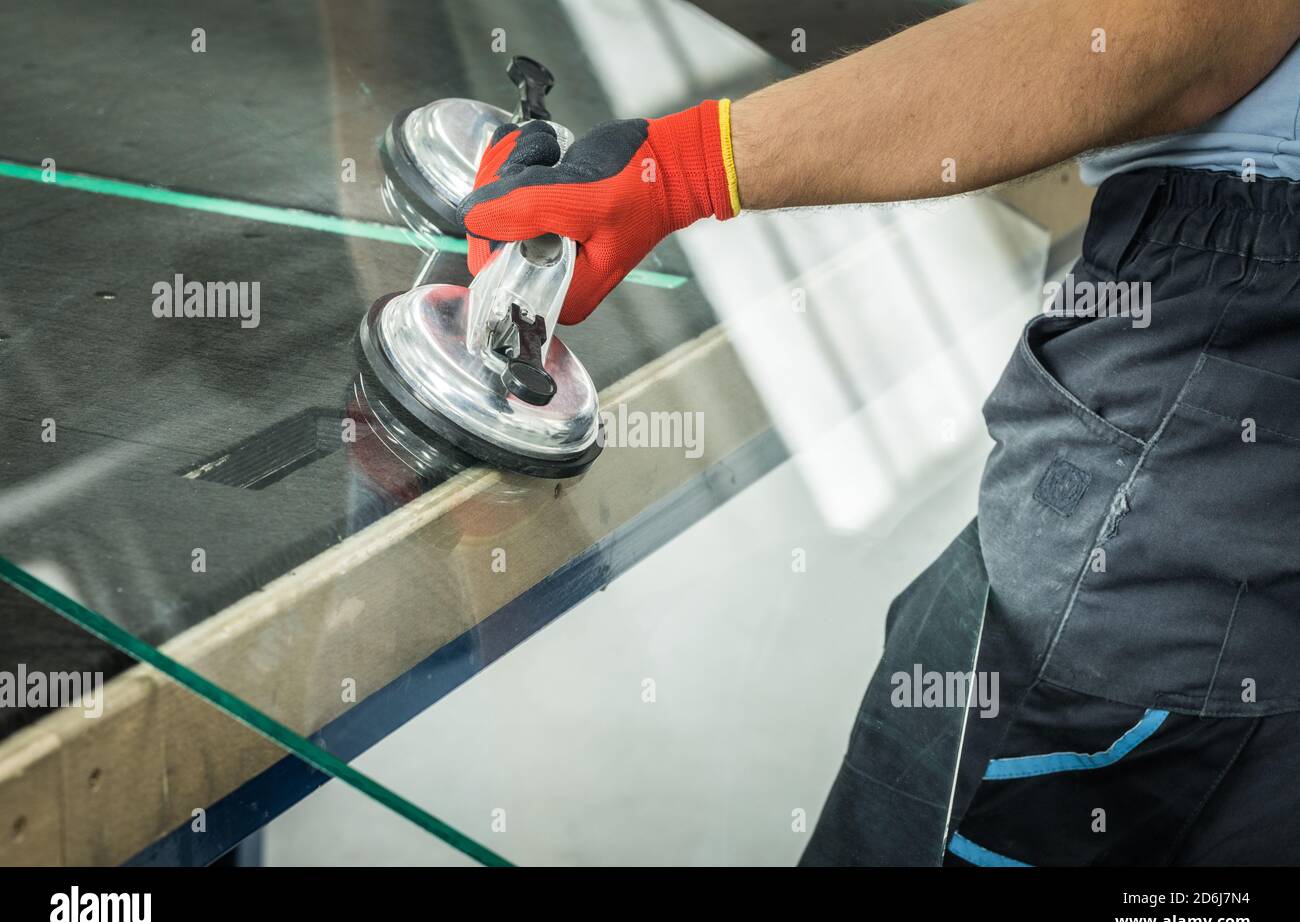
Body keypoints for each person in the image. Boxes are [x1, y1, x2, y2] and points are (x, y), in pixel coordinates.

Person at [459, 0, 1300, 865]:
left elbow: (1170, 25)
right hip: (1237, 374)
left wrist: (680, 170)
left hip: (1228, 322)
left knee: (978, 725)